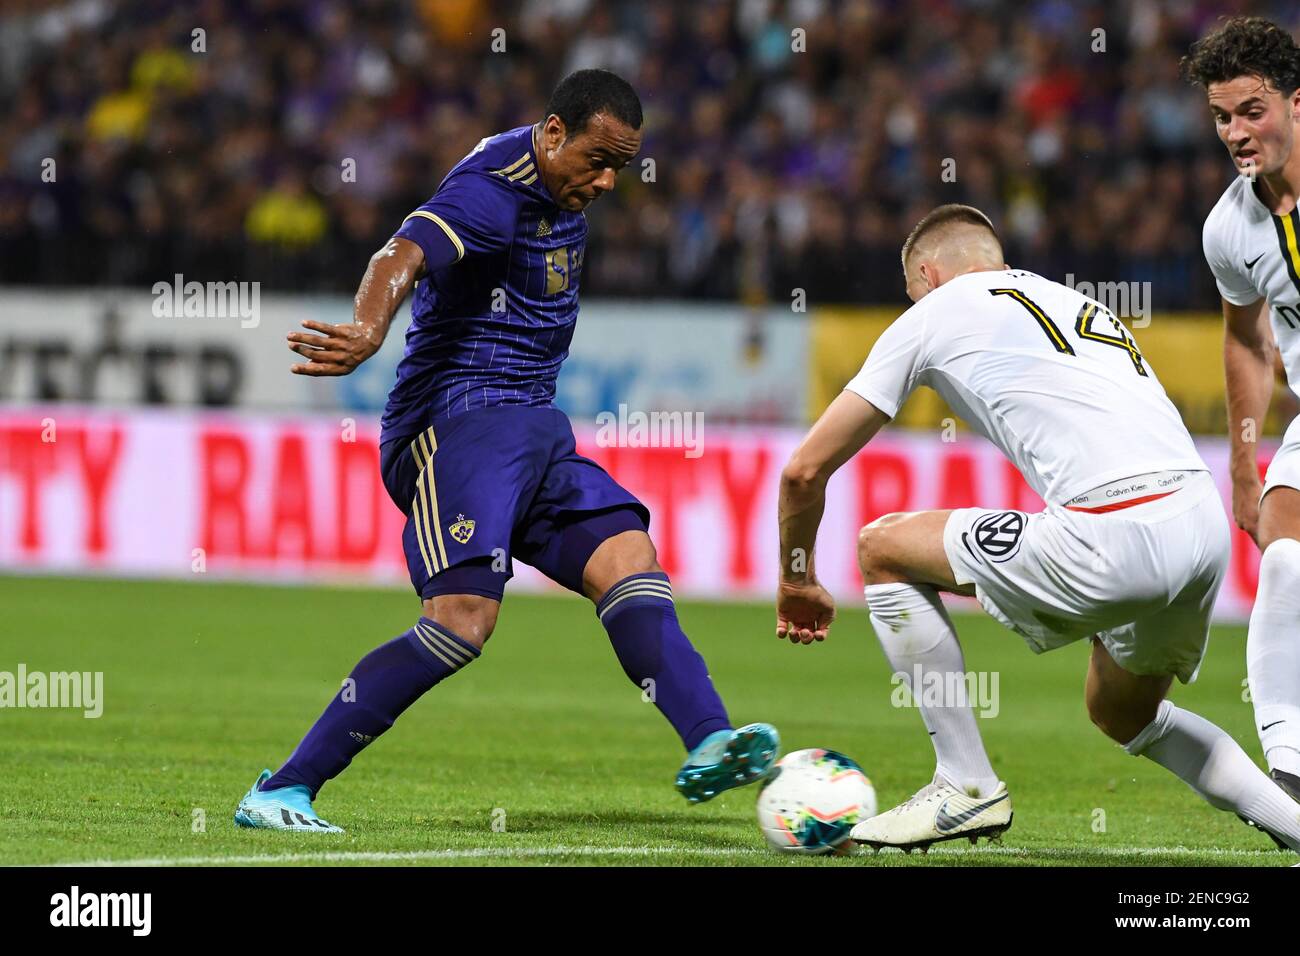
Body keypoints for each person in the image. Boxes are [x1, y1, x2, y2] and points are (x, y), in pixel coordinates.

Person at [233, 69, 776, 833]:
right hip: (455, 423)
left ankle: (710, 739)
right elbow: (403, 251)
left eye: (620, 165)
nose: (609, 180)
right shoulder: (494, 191)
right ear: (553, 133)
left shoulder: (560, 183)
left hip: (531, 425)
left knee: (629, 558)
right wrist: (368, 326)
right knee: (461, 620)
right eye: (597, 159)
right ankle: (282, 789)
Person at [774, 203, 1300, 854]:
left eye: (912, 293)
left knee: (880, 548)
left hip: (1113, 533)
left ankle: (964, 786)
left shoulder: (935, 311)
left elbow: (803, 472)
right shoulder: (1081, 306)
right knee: (1122, 711)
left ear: (929, 277)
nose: (914, 305)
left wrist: (796, 576)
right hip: (1199, 526)